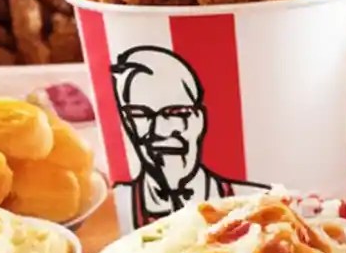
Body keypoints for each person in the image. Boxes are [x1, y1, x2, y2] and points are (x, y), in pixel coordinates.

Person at [111, 46, 266, 228]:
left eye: (177, 113)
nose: (161, 130)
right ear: (127, 123)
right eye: (140, 115)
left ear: (199, 119)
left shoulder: (259, 201)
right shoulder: (120, 203)